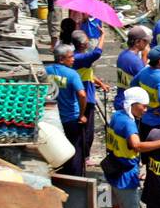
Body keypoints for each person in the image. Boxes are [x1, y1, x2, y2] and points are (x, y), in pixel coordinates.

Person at [45, 43, 88, 176]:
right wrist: (82, 114)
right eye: (71, 57)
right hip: (71, 118)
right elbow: (82, 94)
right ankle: (75, 178)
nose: (74, 59)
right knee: (74, 150)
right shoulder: (72, 74)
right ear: (62, 59)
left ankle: (61, 175)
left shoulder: (47, 70)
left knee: (58, 149)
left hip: (54, 118)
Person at [71, 30, 106, 159]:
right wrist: (102, 36)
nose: (88, 43)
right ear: (82, 45)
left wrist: (100, 83)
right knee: (87, 130)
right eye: (86, 41)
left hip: (85, 93)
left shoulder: (77, 57)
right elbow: (97, 53)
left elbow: (87, 73)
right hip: (86, 97)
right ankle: (84, 155)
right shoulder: (81, 58)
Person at [130, 46, 160, 142]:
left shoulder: (144, 71)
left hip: (145, 117)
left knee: (146, 144)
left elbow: (133, 84)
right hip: (159, 121)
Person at [114, 25, 150, 113]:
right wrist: (145, 56)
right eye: (145, 41)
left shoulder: (123, 55)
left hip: (121, 97)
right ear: (137, 42)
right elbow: (145, 80)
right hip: (131, 104)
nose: (146, 44)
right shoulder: (135, 61)